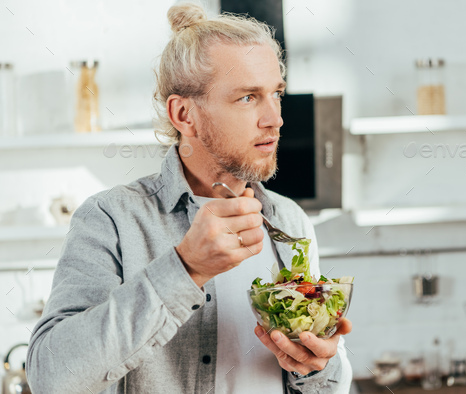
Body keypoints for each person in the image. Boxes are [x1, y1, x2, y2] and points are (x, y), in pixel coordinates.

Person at [26, 3, 353, 393]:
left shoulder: (288, 221)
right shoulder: (112, 218)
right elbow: (51, 376)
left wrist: (315, 366)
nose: (276, 119)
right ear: (184, 115)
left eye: (276, 94)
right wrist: (186, 268)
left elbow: (327, 384)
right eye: (248, 98)